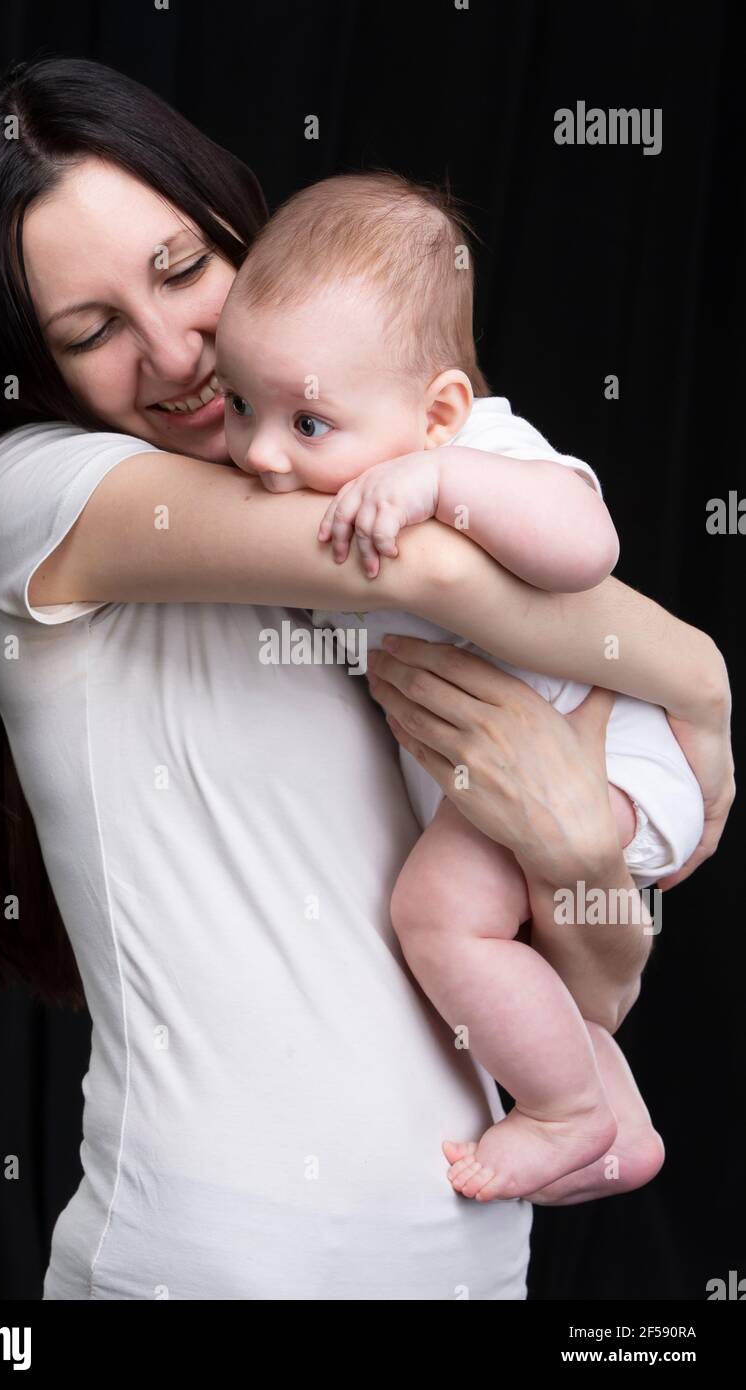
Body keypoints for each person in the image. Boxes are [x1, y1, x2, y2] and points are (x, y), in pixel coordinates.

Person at [0, 58, 733, 1300]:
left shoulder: (335, 491)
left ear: (243, 229)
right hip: (214, 1261)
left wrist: (575, 846)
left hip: (467, 1255)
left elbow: (597, 989)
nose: (175, 352)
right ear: (39, 366)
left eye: (180, 270)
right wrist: (702, 686)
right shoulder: (40, 494)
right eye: (92, 329)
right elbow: (438, 577)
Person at [212, 169, 708, 1206]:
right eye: (240, 406)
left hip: (594, 748)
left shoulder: (479, 448)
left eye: (306, 423)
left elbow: (586, 545)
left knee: (436, 917)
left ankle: (560, 1111)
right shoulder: (351, 468)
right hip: (513, 771)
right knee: (509, 948)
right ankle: (611, 1111)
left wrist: (443, 488)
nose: (259, 454)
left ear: (436, 410)